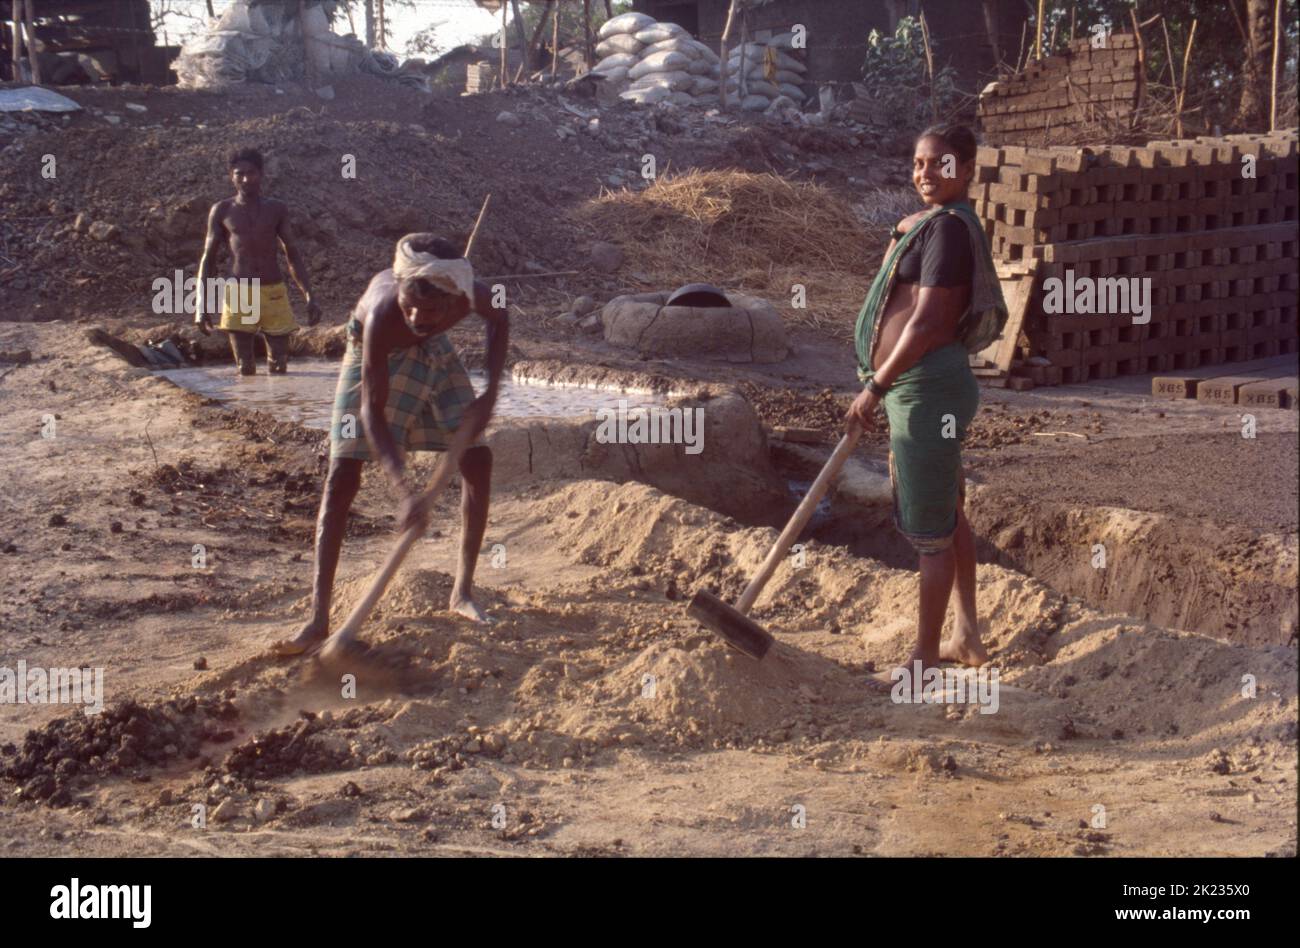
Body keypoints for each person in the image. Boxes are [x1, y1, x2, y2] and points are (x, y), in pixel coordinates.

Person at [274, 234, 508, 657]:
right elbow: (370, 409)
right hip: (371, 350)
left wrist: (491, 391)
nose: (418, 316)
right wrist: (405, 492)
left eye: (431, 310)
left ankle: (462, 594)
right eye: (410, 306)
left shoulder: (471, 296)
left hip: (434, 353)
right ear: (400, 290)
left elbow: (501, 319)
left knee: (478, 460)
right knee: (343, 472)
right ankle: (317, 620)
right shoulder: (384, 313)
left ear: (454, 300)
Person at [845, 124, 1008, 674]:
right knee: (948, 511)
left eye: (940, 163)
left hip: (925, 392)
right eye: (918, 163)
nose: (925, 173)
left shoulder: (950, 232)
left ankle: (922, 658)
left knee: (930, 534)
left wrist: (876, 385)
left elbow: (928, 321)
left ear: (965, 171)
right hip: (916, 389)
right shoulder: (926, 225)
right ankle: (965, 636)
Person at [194, 148, 321, 374]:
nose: (245, 179)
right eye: (239, 173)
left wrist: (309, 295)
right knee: (245, 367)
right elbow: (208, 258)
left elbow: (292, 253)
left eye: (251, 173)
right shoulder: (222, 210)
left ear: (261, 174)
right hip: (239, 292)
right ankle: (248, 409)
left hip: (273, 290)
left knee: (280, 366)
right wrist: (200, 305)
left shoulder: (276, 209)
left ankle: (278, 408)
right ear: (231, 176)